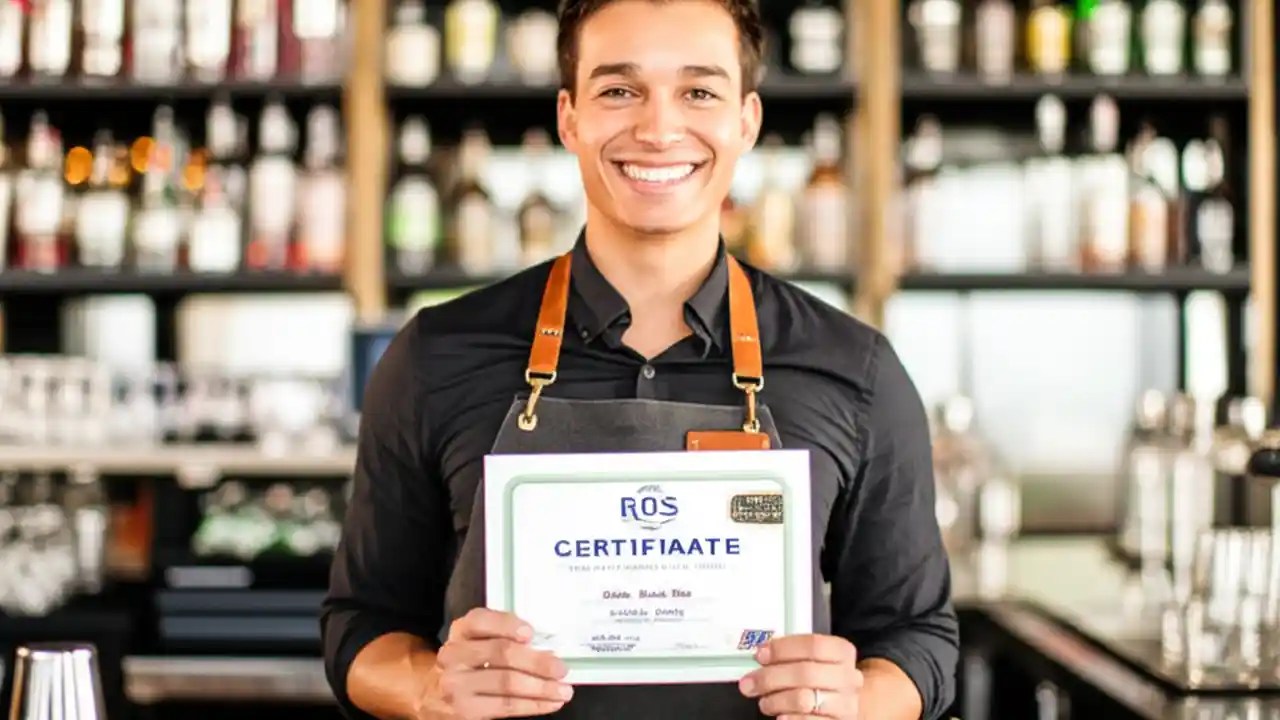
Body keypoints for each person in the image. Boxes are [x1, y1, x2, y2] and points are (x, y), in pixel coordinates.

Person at [321, 0, 959, 718]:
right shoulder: (436, 355)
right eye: (619, 90)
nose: (658, 129)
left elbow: (918, 639)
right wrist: (429, 686)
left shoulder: (855, 368)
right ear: (569, 117)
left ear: (746, 119)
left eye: (699, 91)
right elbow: (360, 628)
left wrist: (859, 699)